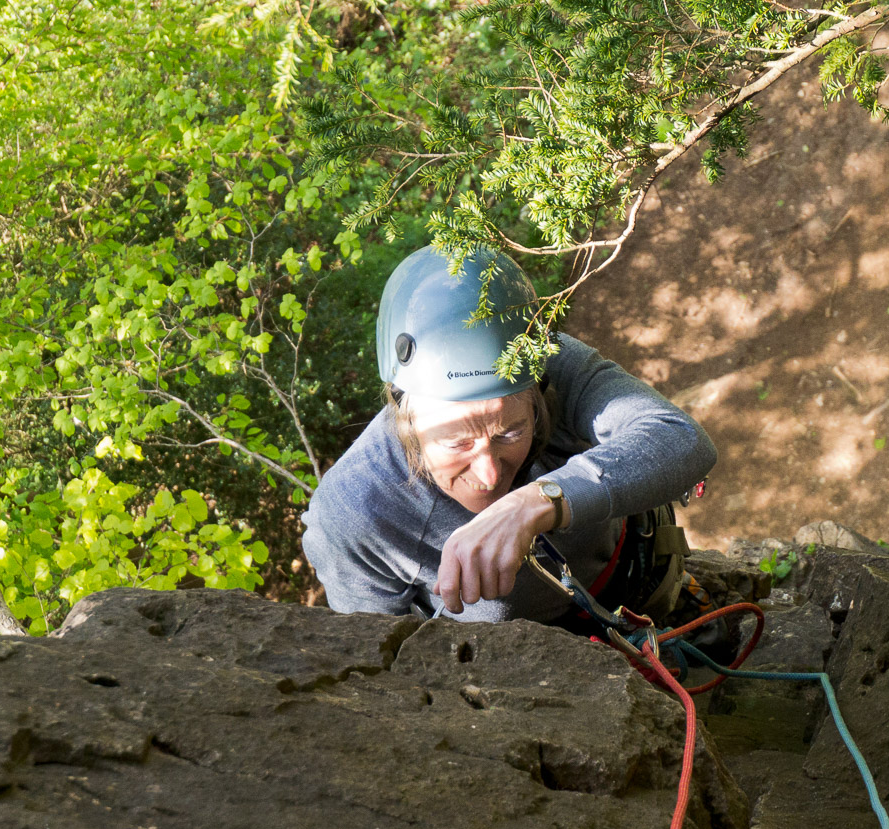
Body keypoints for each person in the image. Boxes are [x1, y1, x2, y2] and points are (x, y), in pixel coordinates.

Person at [302, 244, 718, 629]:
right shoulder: (354, 512)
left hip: (646, 593)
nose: (488, 475)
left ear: (538, 388)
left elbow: (680, 438)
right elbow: (381, 661)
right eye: (457, 443)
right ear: (402, 411)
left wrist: (538, 500)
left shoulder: (548, 365)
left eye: (510, 432)